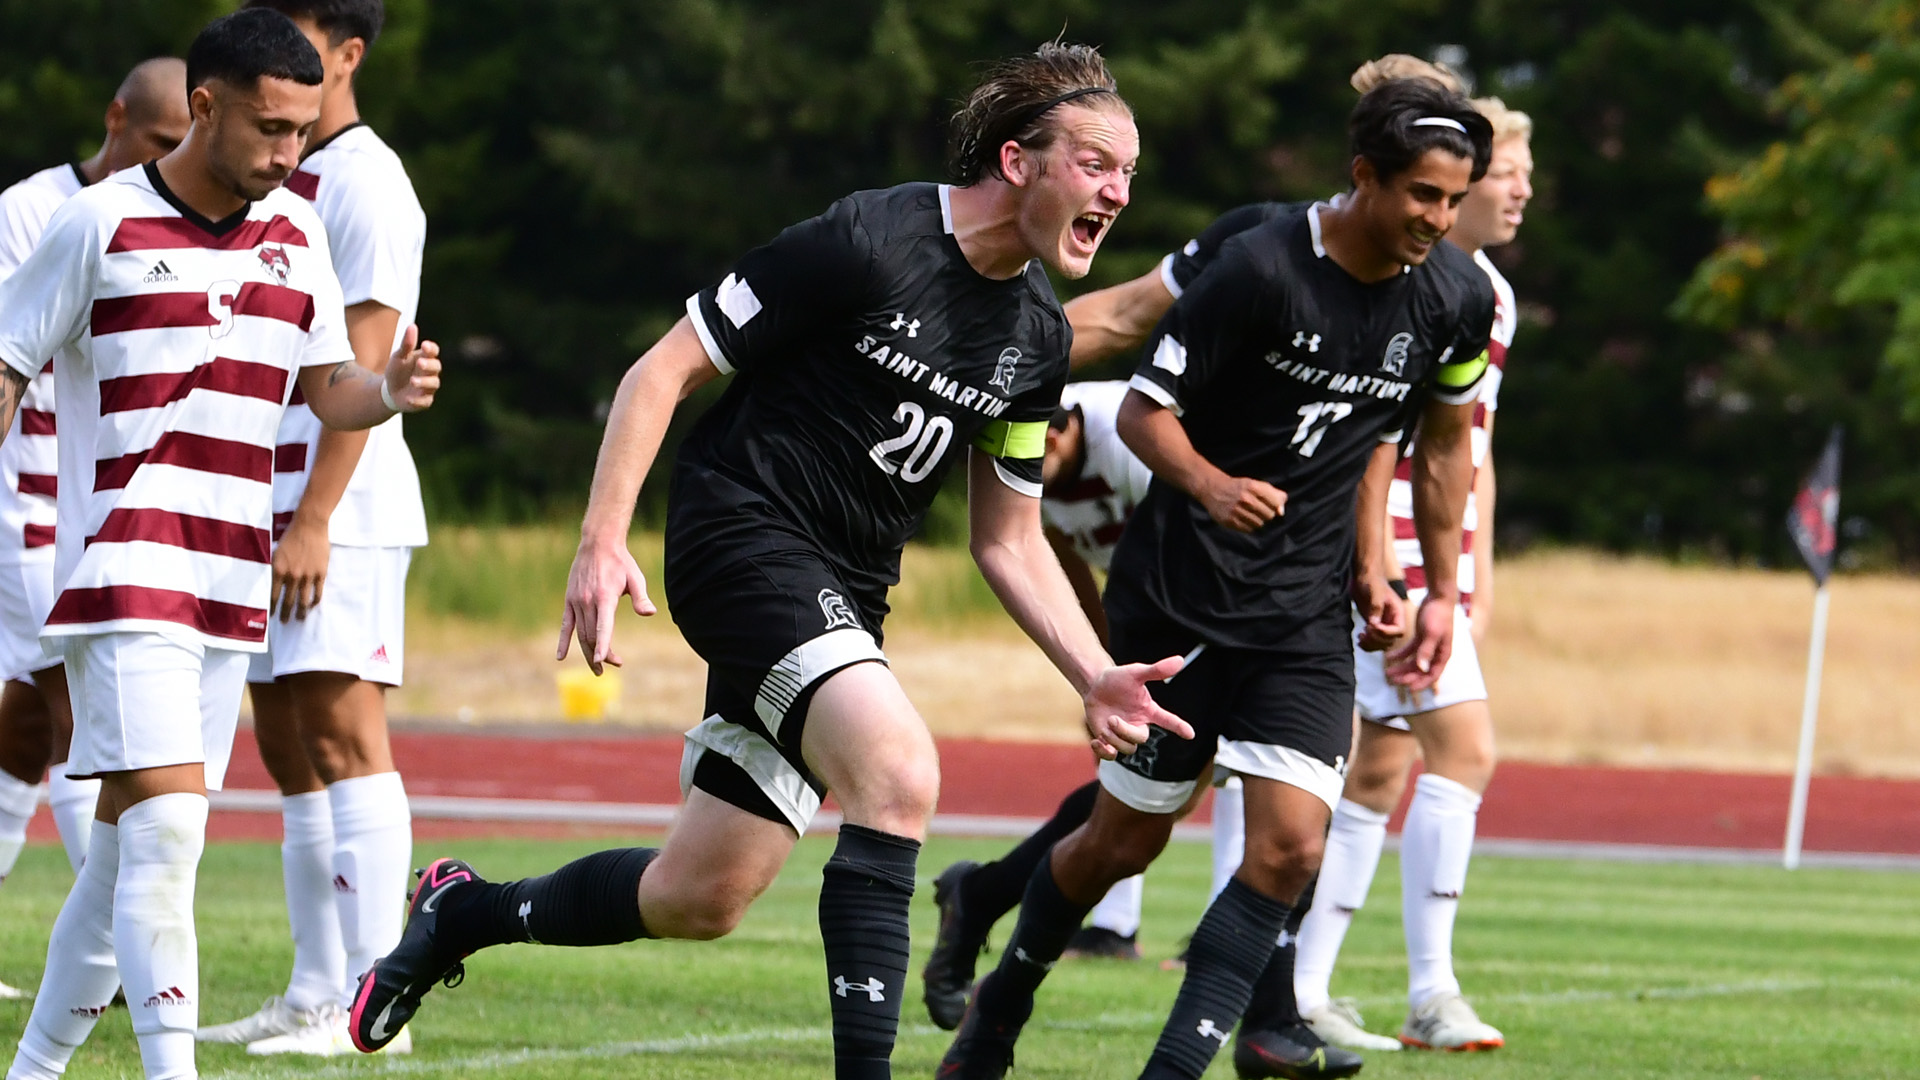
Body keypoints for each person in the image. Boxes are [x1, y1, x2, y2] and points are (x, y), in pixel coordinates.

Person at [345, 44, 1189, 1080]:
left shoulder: (1038, 340)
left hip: (843, 596)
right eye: (1098, 163)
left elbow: (1005, 538)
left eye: (1129, 175)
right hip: (738, 535)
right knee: (898, 773)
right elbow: (664, 368)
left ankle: (461, 914)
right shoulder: (868, 238)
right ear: (1018, 161)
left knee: (701, 894)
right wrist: (601, 539)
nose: (1118, 191)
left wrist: (1092, 671)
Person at [935, 77, 1495, 1080]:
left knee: (1287, 851)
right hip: (1180, 595)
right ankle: (1000, 1005)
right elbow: (1147, 411)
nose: (1438, 220)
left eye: (1454, 200)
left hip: (1304, 614)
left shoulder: (1456, 298)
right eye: (1421, 195)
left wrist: (1421, 581)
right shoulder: (1259, 268)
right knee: (1119, 844)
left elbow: (1423, 443)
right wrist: (1210, 482)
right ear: (1365, 176)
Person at [0, 10, 441, 1079]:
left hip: (228, 585)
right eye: (270, 129)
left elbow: (325, 388)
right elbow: (8, 367)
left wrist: (383, 393)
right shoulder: (95, 223)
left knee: (118, 859)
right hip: (123, 576)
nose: (290, 154)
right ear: (205, 106)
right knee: (168, 841)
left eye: (301, 133)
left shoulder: (295, 235)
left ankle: (33, 1071)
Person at [194, 0, 428, 1057]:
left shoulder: (370, 182)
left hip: (341, 507)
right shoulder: (292, 171)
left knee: (343, 735)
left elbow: (366, 365)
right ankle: (314, 991)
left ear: (347, 53)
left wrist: (316, 518)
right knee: (289, 745)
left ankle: (379, 1009)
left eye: (302, 37)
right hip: (268, 496)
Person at [1290, 92, 1534, 1056]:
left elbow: (1467, 448)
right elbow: (1381, 442)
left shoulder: (1486, 295)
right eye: (1504, 175)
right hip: (1375, 556)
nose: (1514, 193)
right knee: (1463, 753)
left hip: (1428, 561)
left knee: (1380, 769)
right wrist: (1389, 565)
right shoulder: (1406, 281)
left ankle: (1307, 986)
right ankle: (1429, 992)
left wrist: (1473, 574)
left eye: (1518, 177)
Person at [0, 58, 191, 1002]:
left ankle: (99, 952)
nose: (173, 159)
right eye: (161, 143)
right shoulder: (35, 212)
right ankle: (115, 958)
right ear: (116, 118)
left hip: (104, 511)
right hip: (28, 504)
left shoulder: (169, 218)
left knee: (33, 720)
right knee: (78, 718)